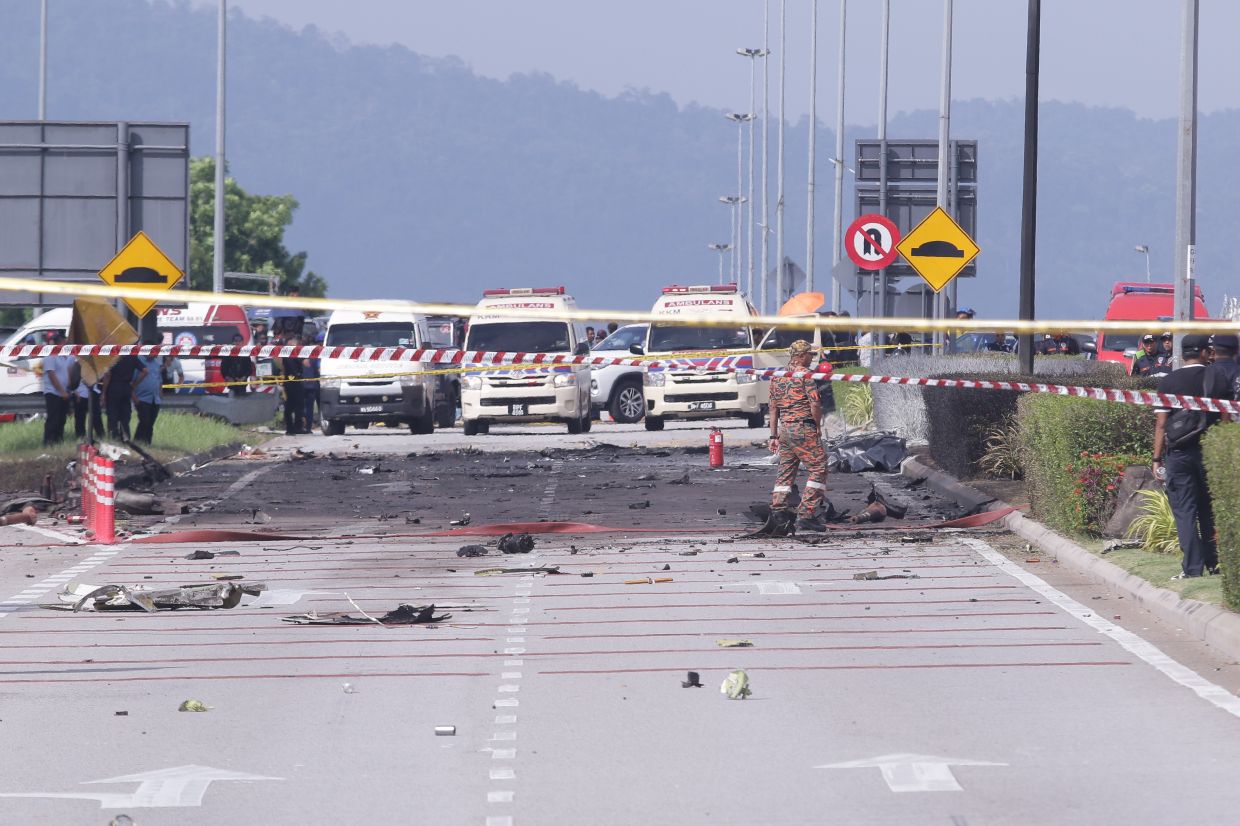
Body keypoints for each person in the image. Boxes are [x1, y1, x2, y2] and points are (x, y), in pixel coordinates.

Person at [1152, 334, 1220, 579]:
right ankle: (1215, 563)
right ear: (1205, 352)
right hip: (1210, 453)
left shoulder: (1169, 382)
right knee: (1208, 511)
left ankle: (1192, 569)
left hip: (1179, 455)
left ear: (1182, 355)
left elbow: (1161, 424)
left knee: (1185, 512)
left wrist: (1156, 459)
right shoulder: (1216, 378)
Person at [767, 340, 829, 532]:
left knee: (786, 470)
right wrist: (817, 426)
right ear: (801, 356)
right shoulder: (805, 375)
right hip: (803, 428)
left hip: (785, 430)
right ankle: (806, 514)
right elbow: (815, 404)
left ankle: (778, 512)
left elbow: (773, 407)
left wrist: (773, 435)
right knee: (819, 467)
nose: (812, 358)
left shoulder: (778, 376)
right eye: (810, 354)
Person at [40, 332, 73, 445]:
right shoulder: (51, 355)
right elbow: (51, 374)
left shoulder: (66, 356)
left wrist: (68, 390)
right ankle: (48, 442)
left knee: (61, 420)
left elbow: (68, 372)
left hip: (64, 392)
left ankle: (58, 442)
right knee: (53, 419)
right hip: (53, 392)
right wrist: (62, 391)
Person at [103, 353, 141, 440]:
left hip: (113, 387)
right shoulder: (132, 357)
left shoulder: (113, 357)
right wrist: (134, 385)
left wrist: (103, 393)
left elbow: (108, 375)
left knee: (113, 414)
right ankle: (126, 437)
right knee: (125, 415)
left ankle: (113, 437)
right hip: (126, 387)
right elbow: (145, 371)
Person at [131, 350, 163, 444]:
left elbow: (159, 379)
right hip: (142, 398)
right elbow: (132, 380)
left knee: (150, 423)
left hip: (155, 399)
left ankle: (147, 443)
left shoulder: (156, 364)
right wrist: (133, 397)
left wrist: (160, 394)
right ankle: (137, 442)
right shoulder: (139, 362)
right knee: (144, 421)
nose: (157, 354)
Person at [281, 335, 307, 435]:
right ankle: (290, 428)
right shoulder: (289, 354)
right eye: (296, 344)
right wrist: (298, 376)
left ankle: (297, 427)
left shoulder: (293, 354)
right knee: (289, 406)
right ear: (290, 344)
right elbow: (293, 368)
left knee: (298, 406)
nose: (298, 346)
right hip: (292, 383)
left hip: (295, 382)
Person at [303, 334, 322, 428]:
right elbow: (319, 369)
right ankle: (309, 426)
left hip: (302, 384)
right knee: (312, 406)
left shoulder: (300, 354)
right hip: (314, 385)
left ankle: (304, 425)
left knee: (304, 407)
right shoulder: (316, 355)